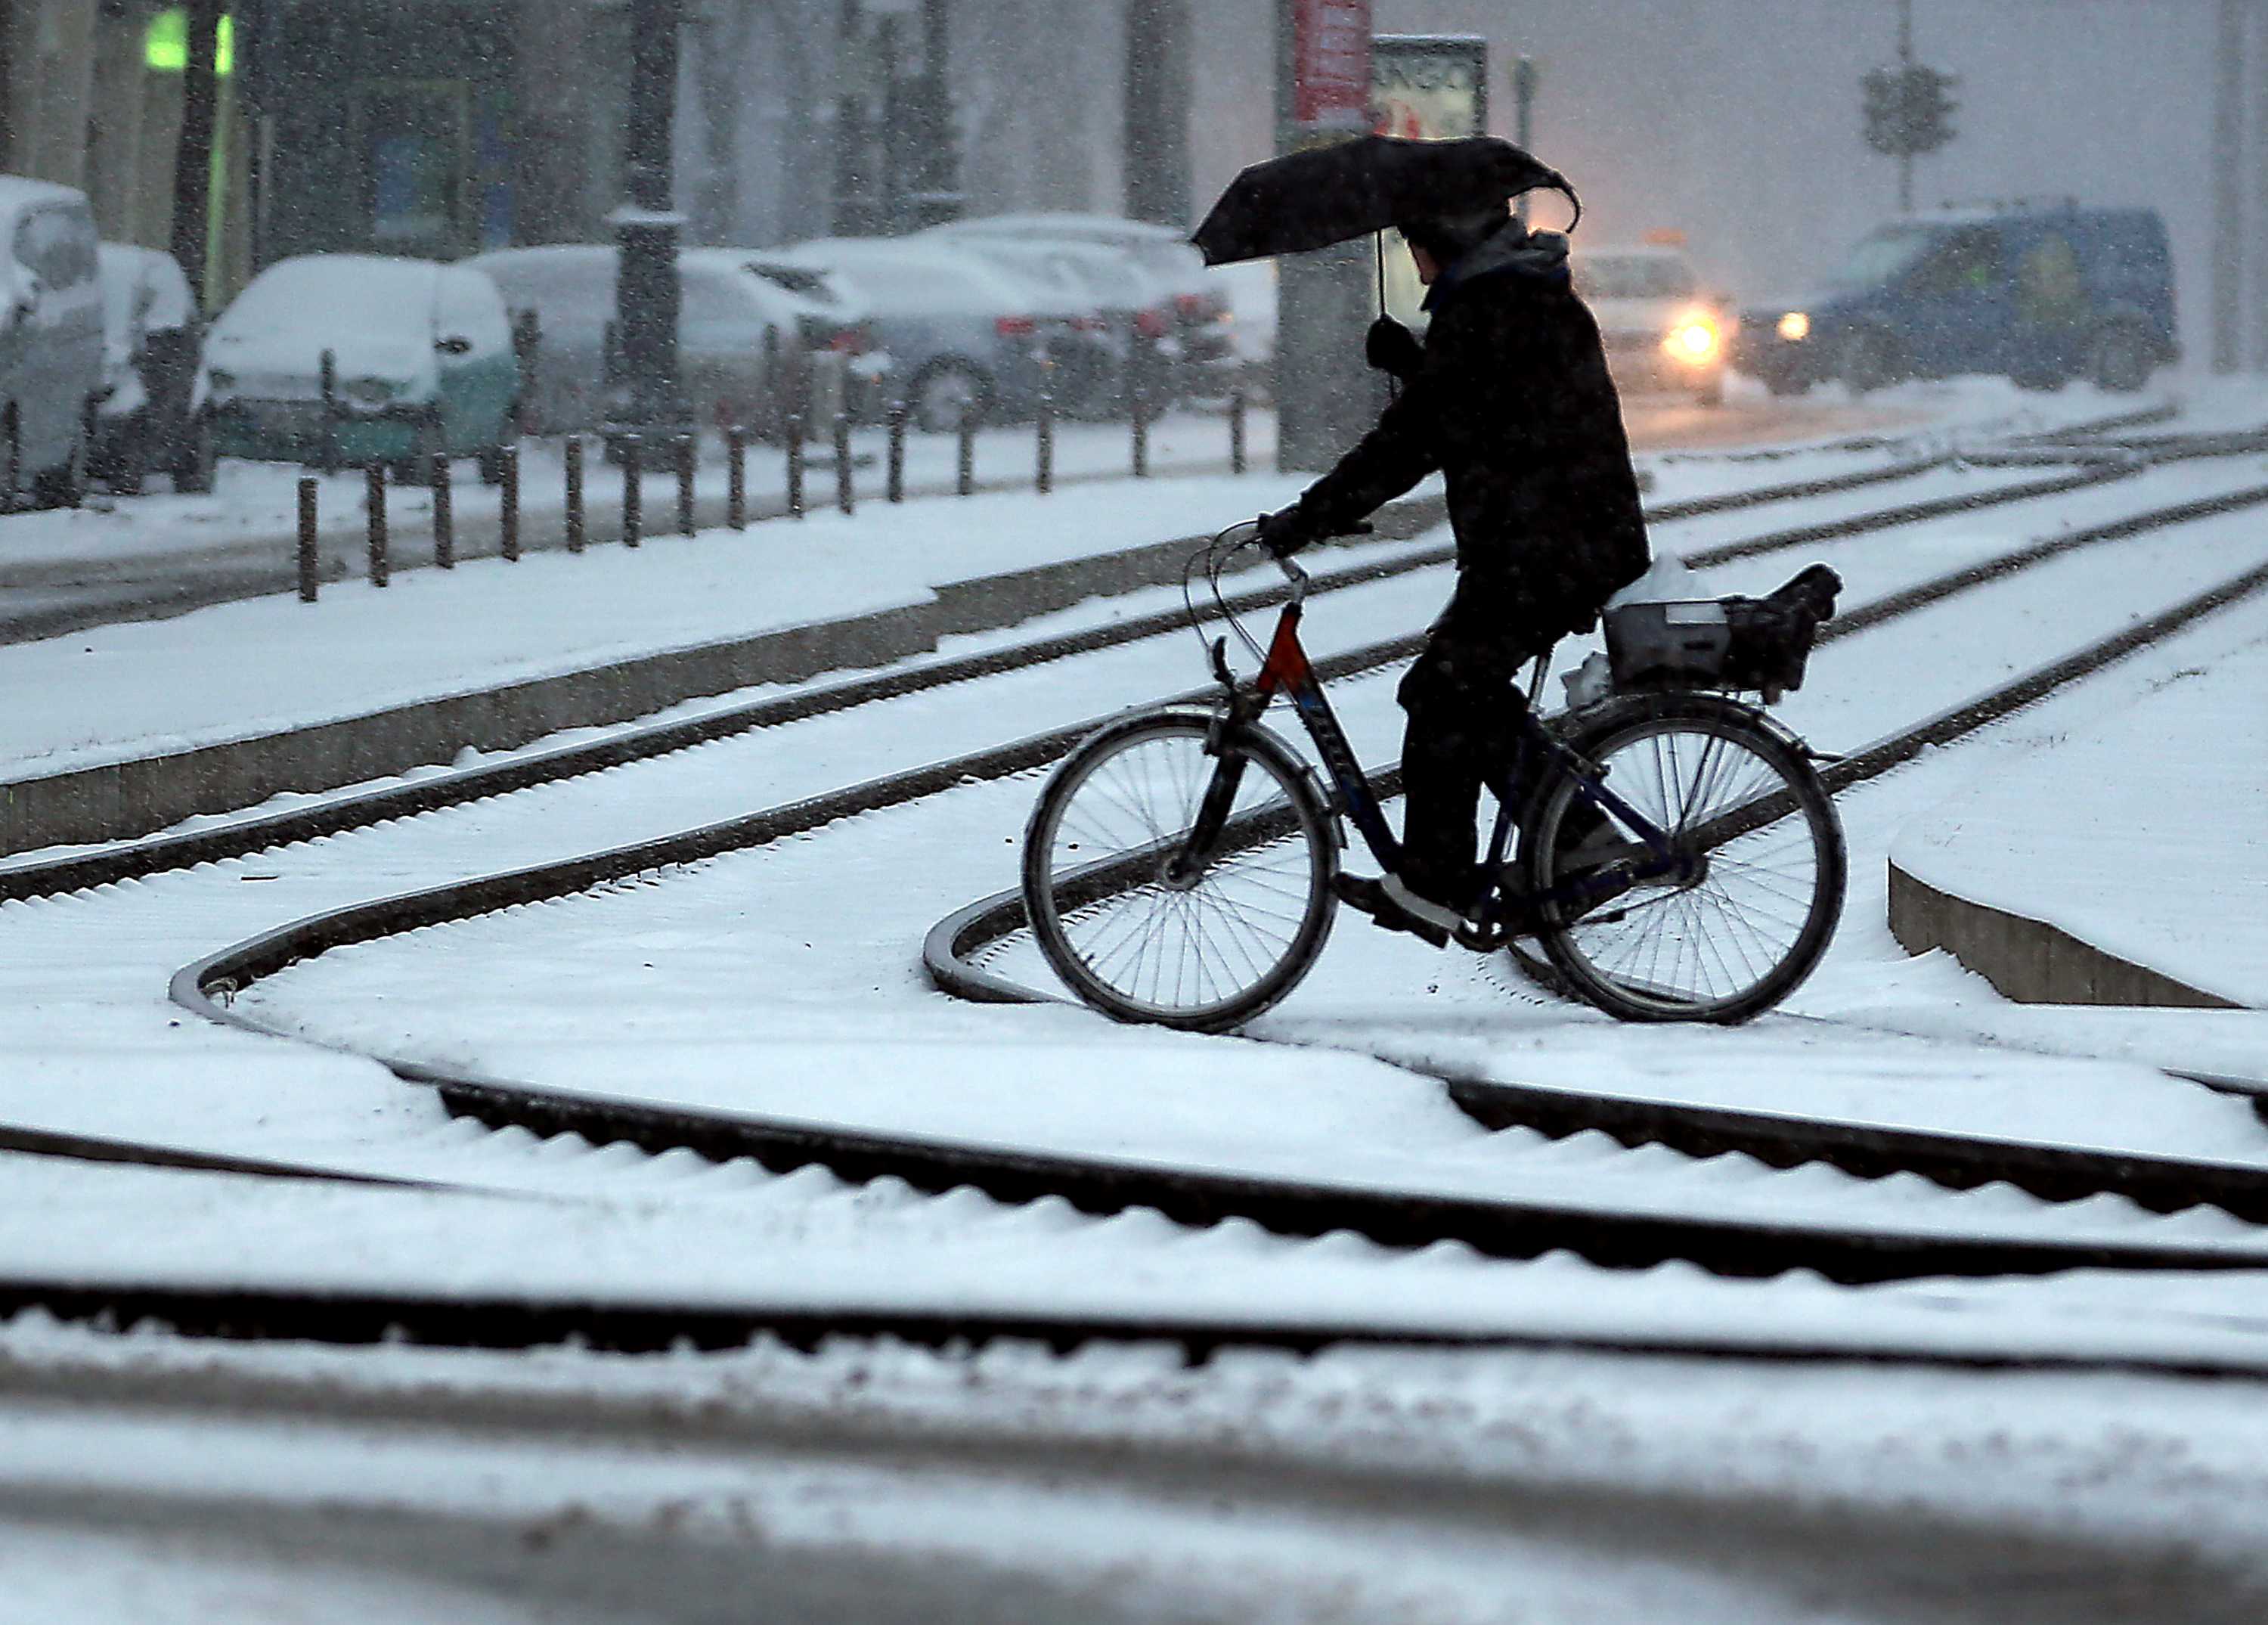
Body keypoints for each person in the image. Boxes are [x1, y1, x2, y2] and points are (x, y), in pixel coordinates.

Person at [1253, 205, 1650, 947]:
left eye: (1416, 248)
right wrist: (1414, 365)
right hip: (1553, 537)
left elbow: (1417, 440)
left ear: (1449, 242)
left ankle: (1448, 878)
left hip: (1548, 545)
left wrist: (1307, 517)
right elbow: (1487, 409)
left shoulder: (1491, 307)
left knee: (1445, 692)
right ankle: (1556, 842)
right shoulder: (1513, 296)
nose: (1414, 266)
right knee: (1460, 695)